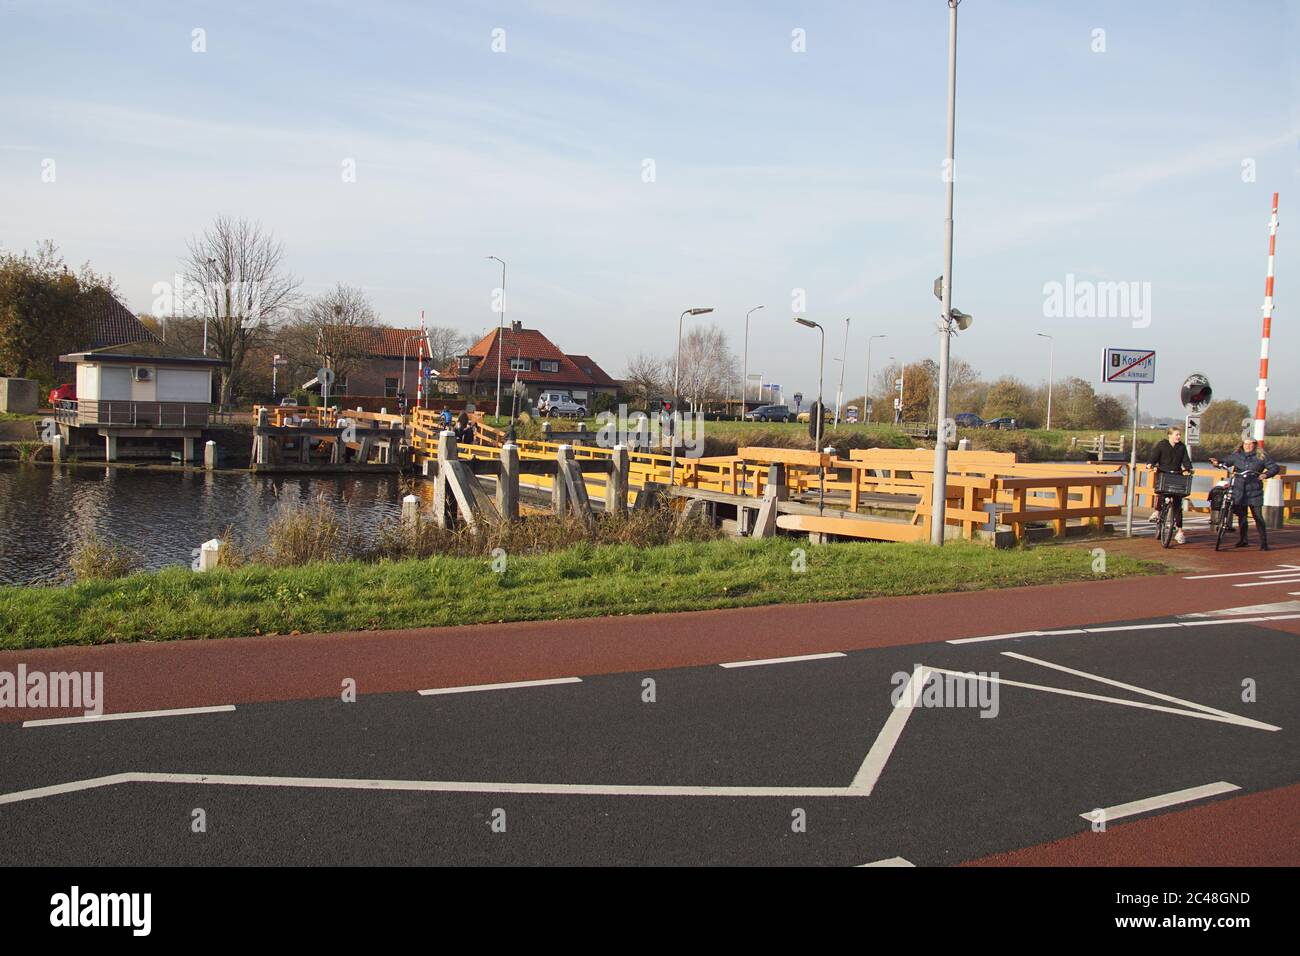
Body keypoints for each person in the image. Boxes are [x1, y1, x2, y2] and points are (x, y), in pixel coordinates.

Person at [1210, 437, 1279, 550]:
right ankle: (1243, 540)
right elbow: (1226, 461)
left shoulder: (1261, 456)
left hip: (1254, 490)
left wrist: (1266, 475)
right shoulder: (1237, 455)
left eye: (1250, 444)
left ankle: (1264, 542)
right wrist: (1217, 462)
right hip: (1239, 489)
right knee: (1242, 516)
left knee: (1258, 517)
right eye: (1246, 444)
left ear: (1255, 445)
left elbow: (1274, 467)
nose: (1248, 446)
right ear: (1242, 445)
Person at [1147, 426, 1194, 544]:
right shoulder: (1162, 445)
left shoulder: (1182, 447)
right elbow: (1153, 457)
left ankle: (1180, 532)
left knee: (1178, 504)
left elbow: (1186, 460)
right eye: (1176, 434)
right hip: (1163, 473)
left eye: (1179, 435)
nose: (1179, 437)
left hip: (1177, 474)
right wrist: (1150, 464)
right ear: (1170, 435)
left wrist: (1189, 468)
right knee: (1161, 493)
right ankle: (1157, 512)